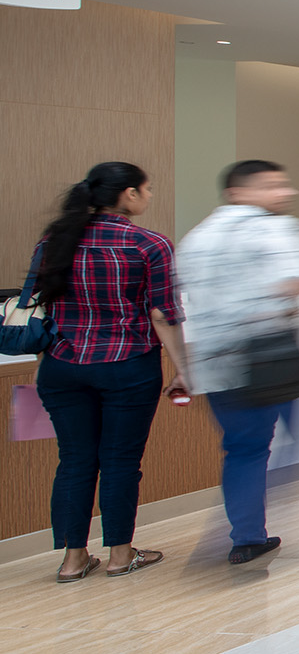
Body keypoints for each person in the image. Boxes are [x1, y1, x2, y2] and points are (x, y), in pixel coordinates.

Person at [25, 162, 191, 582]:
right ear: (129, 195)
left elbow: (36, 300)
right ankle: (120, 555)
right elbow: (161, 313)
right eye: (147, 189)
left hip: (61, 367)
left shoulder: (54, 240)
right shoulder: (149, 243)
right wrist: (183, 369)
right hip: (127, 366)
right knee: (120, 460)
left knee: (74, 460)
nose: (150, 196)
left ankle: (72, 560)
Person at [178, 160, 299, 566]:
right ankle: (247, 524)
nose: (286, 193)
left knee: (243, 450)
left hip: (213, 362)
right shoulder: (277, 228)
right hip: (267, 357)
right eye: (272, 186)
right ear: (239, 191)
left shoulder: (197, 236)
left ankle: (245, 535)